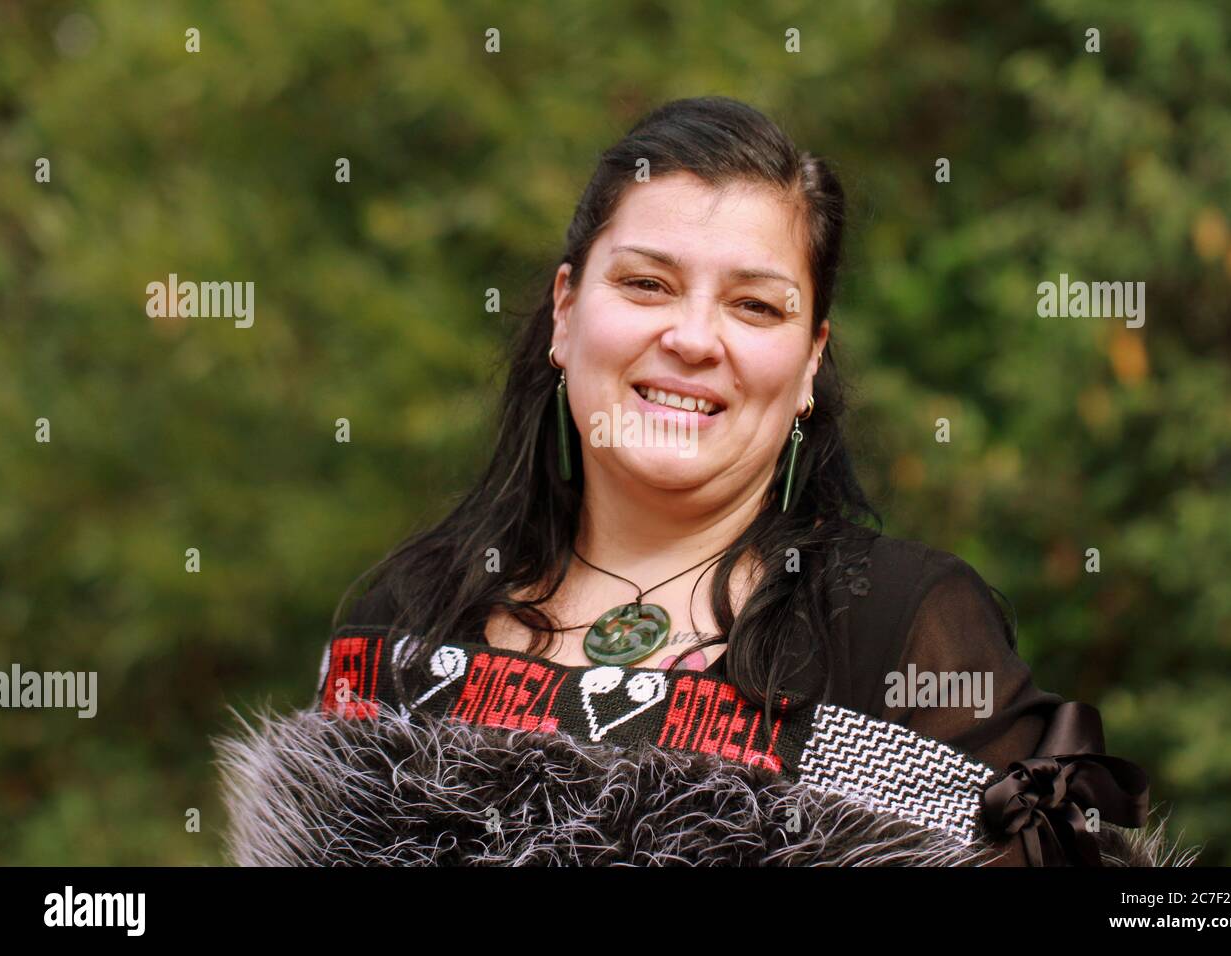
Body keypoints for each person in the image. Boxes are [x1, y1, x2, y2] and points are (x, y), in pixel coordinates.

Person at [315, 95, 1151, 866]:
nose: (692, 337)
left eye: (755, 306)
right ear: (566, 313)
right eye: (647, 284)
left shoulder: (898, 628)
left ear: (810, 361)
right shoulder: (409, 618)